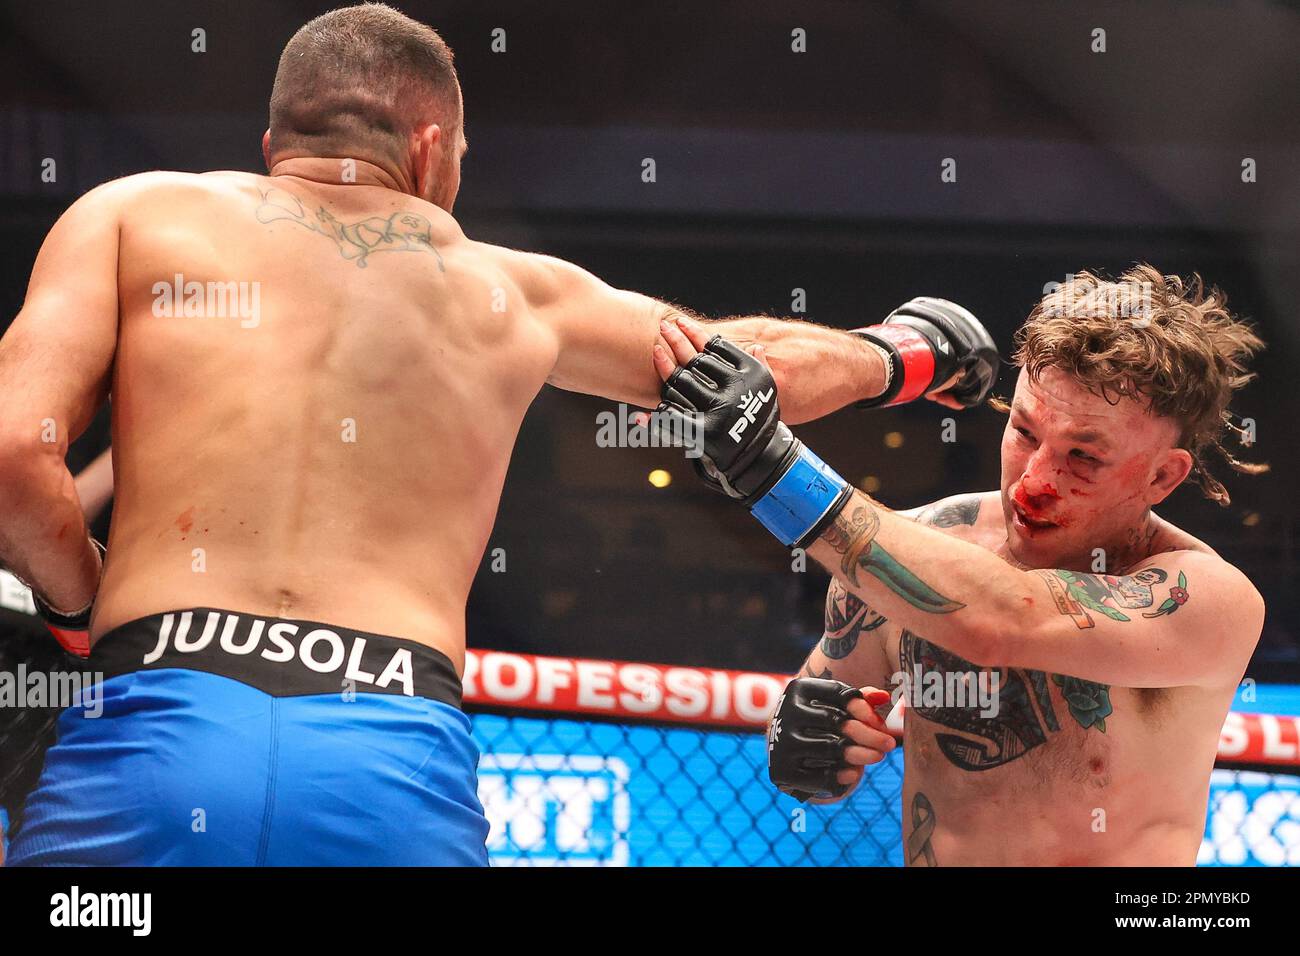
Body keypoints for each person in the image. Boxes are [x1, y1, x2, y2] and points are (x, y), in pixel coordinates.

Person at [0, 4, 992, 865]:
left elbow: (12, 453)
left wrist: (85, 598)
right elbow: (745, 366)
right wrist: (905, 350)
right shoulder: (510, 289)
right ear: (431, 148)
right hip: (385, 749)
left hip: (158, 721)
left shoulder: (133, 216)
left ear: (276, 144)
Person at [655, 265, 1268, 865]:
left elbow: (1005, 618)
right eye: (1025, 432)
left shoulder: (1207, 599)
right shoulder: (922, 540)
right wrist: (810, 742)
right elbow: (825, 709)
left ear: (1163, 475)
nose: (1034, 483)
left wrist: (771, 470)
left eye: (1083, 457)